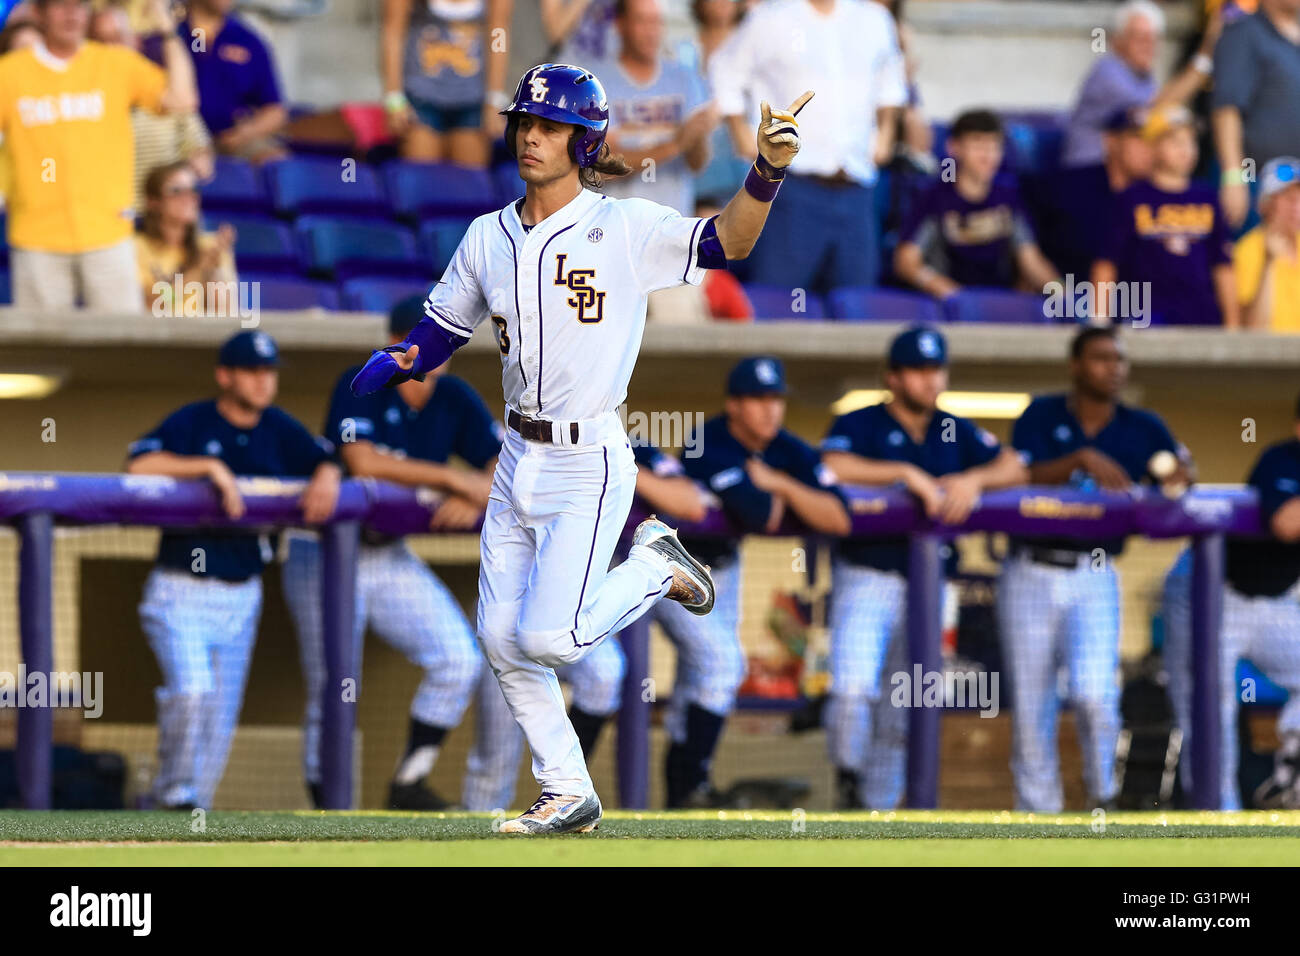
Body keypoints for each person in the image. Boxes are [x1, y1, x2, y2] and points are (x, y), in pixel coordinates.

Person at [348, 63, 811, 835]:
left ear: (584, 140)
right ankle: (567, 789)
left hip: (587, 458)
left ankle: (658, 566)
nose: (533, 135)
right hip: (514, 459)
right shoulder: (485, 236)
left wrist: (765, 171)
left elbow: (727, 241)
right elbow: (443, 327)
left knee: (549, 638)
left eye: (552, 125)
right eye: (526, 122)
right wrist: (405, 358)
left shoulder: (625, 226)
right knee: (500, 639)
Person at [280, 296, 500, 811]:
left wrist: (474, 495)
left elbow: (503, 466)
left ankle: (409, 782)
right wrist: (451, 478)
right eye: (426, 337)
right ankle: (329, 807)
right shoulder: (364, 380)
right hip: (326, 554)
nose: (437, 348)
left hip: (387, 554)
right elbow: (362, 460)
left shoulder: (455, 397)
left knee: (457, 658)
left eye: (447, 337)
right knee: (334, 684)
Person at [127, 331, 341, 810]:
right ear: (226, 375)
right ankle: (172, 795)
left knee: (219, 717)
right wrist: (209, 466)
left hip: (243, 592)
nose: (264, 382)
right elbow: (139, 465)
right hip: (181, 589)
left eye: (269, 373)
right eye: (252, 371)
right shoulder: (193, 421)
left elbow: (329, 458)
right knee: (191, 693)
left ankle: (189, 812)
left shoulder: (280, 429)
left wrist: (327, 473)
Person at [820, 326, 1025, 809]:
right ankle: (849, 781)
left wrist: (974, 479)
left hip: (931, 585)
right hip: (868, 576)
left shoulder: (953, 428)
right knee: (851, 687)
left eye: (936, 370)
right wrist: (903, 472)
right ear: (894, 377)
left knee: (908, 702)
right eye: (918, 371)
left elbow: (1015, 467)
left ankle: (878, 810)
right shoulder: (863, 421)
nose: (930, 381)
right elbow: (831, 465)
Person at [998, 325, 1193, 813]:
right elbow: (1018, 475)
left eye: (1120, 360)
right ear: (1076, 365)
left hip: (1095, 572)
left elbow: (1181, 479)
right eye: (1102, 358)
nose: (1114, 368)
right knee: (1031, 706)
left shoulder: (1142, 425)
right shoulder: (1040, 415)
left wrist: (1175, 473)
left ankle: (1102, 798)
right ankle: (1036, 819)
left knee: (1095, 694)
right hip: (1031, 571)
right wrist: (1078, 459)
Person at [460, 436, 709, 812]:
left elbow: (691, 503)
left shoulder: (617, 447)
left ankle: (570, 783)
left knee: (604, 670)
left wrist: (608, 469)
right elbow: (491, 477)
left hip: (571, 596)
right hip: (512, 593)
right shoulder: (522, 433)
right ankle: (480, 828)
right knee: (497, 743)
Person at [669, 356, 849, 806]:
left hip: (726, 568)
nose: (770, 410)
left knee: (699, 683)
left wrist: (781, 484)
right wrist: (784, 495)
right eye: (757, 400)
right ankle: (691, 788)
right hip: (672, 568)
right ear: (734, 405)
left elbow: (838, 517)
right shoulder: (705, 441)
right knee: (722, 666)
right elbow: (762, 516)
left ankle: (684, 794)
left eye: (776, 399)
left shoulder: (786, 449)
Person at [0, 0, 196, 311]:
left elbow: (181, 99)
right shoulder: (10, 73)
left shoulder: (115, 63)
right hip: (35, 235)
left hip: (108, 232)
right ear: (39, 13)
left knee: (122, 348)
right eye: (60, 6)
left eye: (79, 5)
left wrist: (168, 31)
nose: (71, 14)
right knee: (43, 353)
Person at [708, 0, 907, 291]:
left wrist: (887, 133)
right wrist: (741, 134)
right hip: (790, 187)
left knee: (856, 307)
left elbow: (891, 81)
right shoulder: (770, 17)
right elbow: (725, 70)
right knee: (780, 304)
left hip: (858, 187)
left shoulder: (875, 19)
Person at [1162, 396, 1300, 810]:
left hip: (1271, 605)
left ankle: (1292, 776)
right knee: (1209, 711)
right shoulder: (1281, 458)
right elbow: (1287, 523)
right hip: (1208, 594)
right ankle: (1215, 819)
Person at [1093, 105, 1238, 327]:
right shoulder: (1131, 198)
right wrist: (1099, 321)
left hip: (1202, 320)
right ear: (1153, 146)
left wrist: (1232, 324)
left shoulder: (1207, 197)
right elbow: (1107, 263)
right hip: (1144, 321)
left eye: (1191, 142)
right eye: (1176, 142)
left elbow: (1223, 266)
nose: (1186, 150)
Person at [894, 110, 1060, 301]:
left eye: (994, 146)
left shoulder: (1008, 197)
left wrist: (1062, 293)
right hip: (947, 307)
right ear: (953, 148)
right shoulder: (934, 198)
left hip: (998, 304)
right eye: (978, 145)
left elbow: (1031, 260)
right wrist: (950, 292)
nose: (988, 156)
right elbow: (906, 261)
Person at [590, 0, 713, 216]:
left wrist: (698, 136)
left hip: (673, 222)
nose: (651, 31)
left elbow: (698, 164)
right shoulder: (597, 83)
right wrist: (675, 143)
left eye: (656, 22)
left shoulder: (684, 78)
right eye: (641, 21)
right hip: (615, 225)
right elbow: (603, 165)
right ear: (621, 24)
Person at [1062, 0, 1219, 169]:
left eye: (1152, 38)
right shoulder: (1107, 71)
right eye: (1139, 37)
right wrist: (1205, 54)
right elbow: (1154, 109)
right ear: (1117, 41)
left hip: (1118, 174)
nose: (1147, 45)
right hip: (1086, 172)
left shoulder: (1143, 77)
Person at [90, 0, 213, 212]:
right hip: (104, 219)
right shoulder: (81, 98)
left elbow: (200, 154)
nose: (110, 50)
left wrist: (199, 159)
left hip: (158, 222)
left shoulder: (163, 89)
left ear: (135, 42)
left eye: (117, 39)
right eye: (100, 41)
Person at [1026, 105, 1154, 284]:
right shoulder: (1067, 186)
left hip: (1140, 303)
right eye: (1139, 138)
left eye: (1155, 141)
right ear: (1110, 140)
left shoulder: (1162, 197)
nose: (1149, 149)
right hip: (1068, 301)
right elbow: (1028, 245)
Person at [380, 0, 512, 166]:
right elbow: (393, 32)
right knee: (421, 178)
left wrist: (494, 97)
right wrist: (394, 98)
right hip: (420, 99)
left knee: (469, 183)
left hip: (471, 99)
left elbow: (499, 32)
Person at [1212, 0, 1300, 230]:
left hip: (1294, 188)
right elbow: (1226, 108)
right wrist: (1234, 178)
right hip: (1254, 179)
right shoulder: (1243, 33)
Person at [180, 0, 287, 164]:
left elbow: (275, 110)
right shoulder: (170, 32)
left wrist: (246, 132)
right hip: (178, 135)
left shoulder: (247, 40)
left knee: (277, 162)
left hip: (231, 138)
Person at [135, 160, 237, 315]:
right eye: (176, 191)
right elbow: (153, 304)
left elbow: (226, 314)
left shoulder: (210, 245)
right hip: (155, 336)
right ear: (153, 202)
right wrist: (198, 271)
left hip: (201, 335)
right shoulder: (136, 247)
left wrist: (213, 272)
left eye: (193, 189)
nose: (189, 197)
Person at [1236, 156, 1300, 330]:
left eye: (1299, 198)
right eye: (1288, 198)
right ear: (1265, 204)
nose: (1296, 206)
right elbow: (1253, 328)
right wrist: (1268, 263)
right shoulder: (1246, 250)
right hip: (1271, 355)